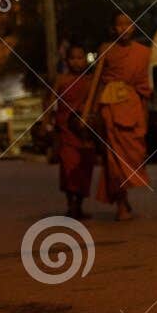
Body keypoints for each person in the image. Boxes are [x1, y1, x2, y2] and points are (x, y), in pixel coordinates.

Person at [86, 11, 152, 221]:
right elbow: (96, 81)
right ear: (113, 29)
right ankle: (121, 205)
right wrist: (88, 110)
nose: (124, 28)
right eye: (120, 25)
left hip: (133, 106)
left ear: (134, 27)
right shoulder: (106, 49)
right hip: (110, 107)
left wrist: (146, 114)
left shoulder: (144, 52)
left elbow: (145, 87)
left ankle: (123, 201)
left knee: (134, 155)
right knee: (114, 160)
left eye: (129, 24)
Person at [48, 41, 97, 219]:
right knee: (68, 170)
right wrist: (47, 123)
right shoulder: (61, 80)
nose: (77, 62)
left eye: (80, 57)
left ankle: (79, 204)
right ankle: (71, 205)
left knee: (85, 169)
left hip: (85, 133)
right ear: (67, 61)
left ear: (86, 59)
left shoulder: (91, 81)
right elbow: (50, 102)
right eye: (73, 58)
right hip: (66, 131)